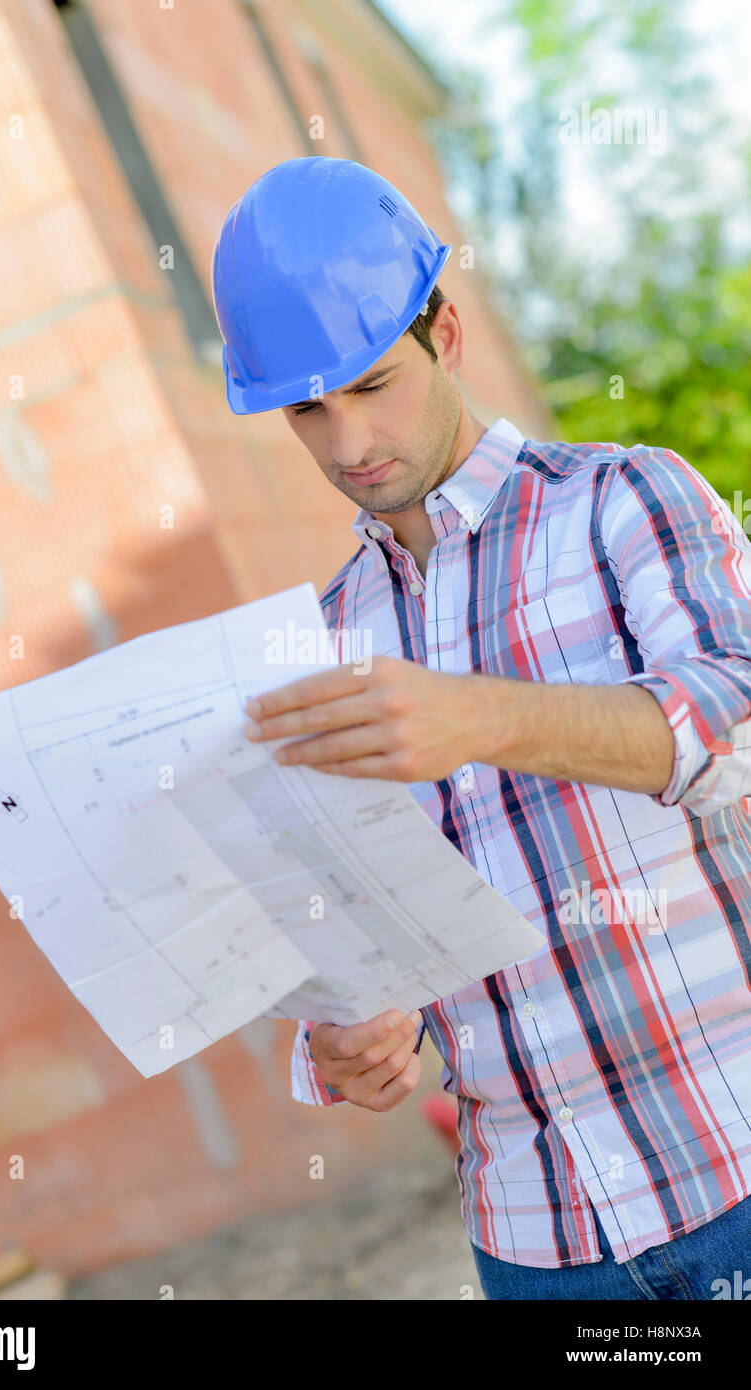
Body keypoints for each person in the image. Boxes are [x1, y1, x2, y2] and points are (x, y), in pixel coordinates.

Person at [211, 156, 751, 1300]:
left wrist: (485, 716)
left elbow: (738, 727)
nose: (349, 441)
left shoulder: (624, 500)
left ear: (446, 335)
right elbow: (353, 917)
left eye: (372, 384)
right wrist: (351, 1036)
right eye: (308, 408)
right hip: (537, 1246)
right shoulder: (323, 640)